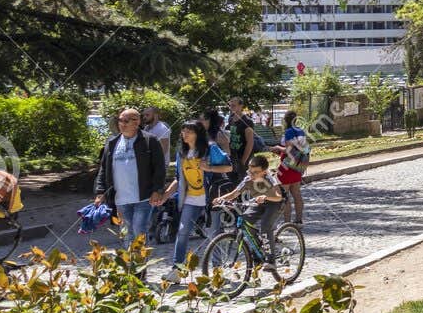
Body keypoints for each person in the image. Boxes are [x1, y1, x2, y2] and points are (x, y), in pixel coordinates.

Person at [163, 119, 230, 274]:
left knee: (214, 234)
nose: (184, 134)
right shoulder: (182, 153)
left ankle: (216, 270)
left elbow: (228, 166)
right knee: (182, 232)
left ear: (198, 134)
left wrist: (210, 168)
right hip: (190, 199)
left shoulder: (210, 148)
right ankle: (177, 270)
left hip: (210, 199)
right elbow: (179, 179)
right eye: (183, 131)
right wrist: (166, 195)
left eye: (189, 131)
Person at [92, 107, 167, 242]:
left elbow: (159, 168)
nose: (122, 123)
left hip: (143, 197)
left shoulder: (150, 141)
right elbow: (103, 169)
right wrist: (100, 192)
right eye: (120, 120)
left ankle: (140, 263)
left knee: (139, 232)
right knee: (126, 234)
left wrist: (157, 190)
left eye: (126, 121)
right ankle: (131, 263)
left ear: (136, 122)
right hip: (120, 199)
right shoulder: (112, 143)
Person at [217, 153, 283, 240]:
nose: (251, 175)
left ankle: (271, 251)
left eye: (255, 172)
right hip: (258, 203)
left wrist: (266, 197)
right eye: (250, 171)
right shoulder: (248, 179)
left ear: (265, 171)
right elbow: (234, 194)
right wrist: (220, 199)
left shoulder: (271, 178)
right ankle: (257, 245)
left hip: (275, 203)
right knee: (244, 221)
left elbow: (279, 197)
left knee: (265, 224)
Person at [272, 110, 311, 225]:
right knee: (297, 193)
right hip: (297, 165)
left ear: (285, 120)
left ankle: (287, 222)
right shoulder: (300, 131)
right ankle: (298, 219)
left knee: (285, 195)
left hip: (287, 166)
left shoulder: (289, 131)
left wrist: (278, 148)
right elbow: (301, 148)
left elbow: (289, 149)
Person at [224, 97, 256, 184]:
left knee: (244, 183)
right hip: (232, 156)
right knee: (233, 181)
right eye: (230, 105)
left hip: (243, 157)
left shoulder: (247, 121)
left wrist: (243, 161)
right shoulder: (231, 118)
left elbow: (250, 143)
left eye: (233, 105)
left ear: (241, 106)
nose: (231, 108)